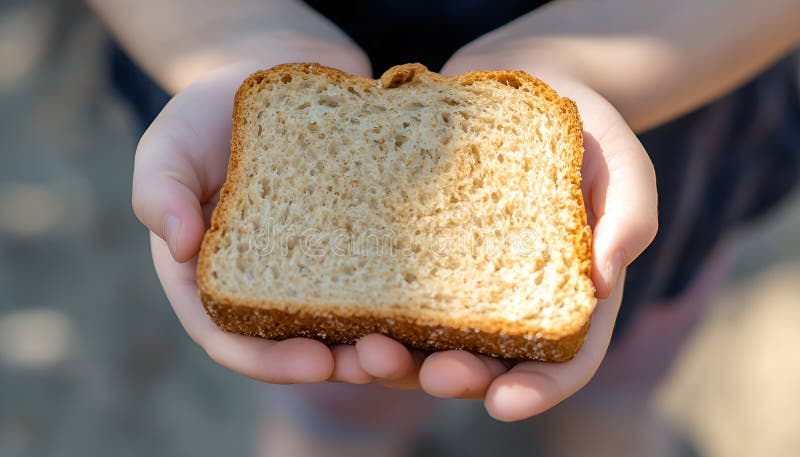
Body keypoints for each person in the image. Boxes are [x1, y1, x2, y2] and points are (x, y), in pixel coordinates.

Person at [88, 0, 800, 455]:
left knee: (640, 325)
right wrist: (222, 33)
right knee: (334, 400)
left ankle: (606, 423)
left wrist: (581, 65)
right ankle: (340, 434)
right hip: (225, 27)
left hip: (680, 65)